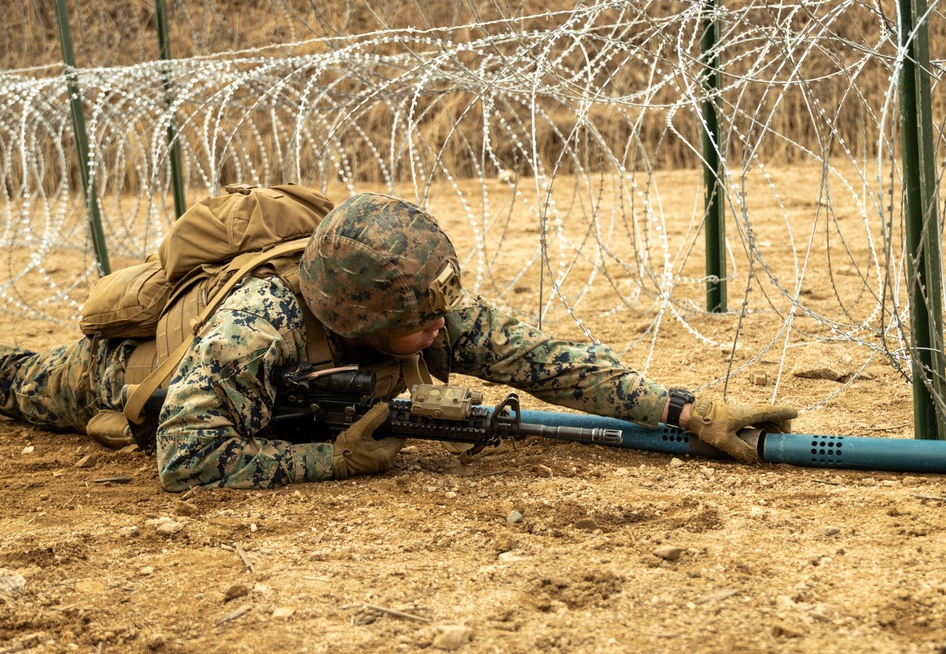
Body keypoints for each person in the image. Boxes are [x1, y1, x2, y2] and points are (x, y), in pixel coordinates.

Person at [0, 192, 798, 491]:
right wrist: (331, 460)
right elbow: (186, 456)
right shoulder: (257, 330)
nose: (442, 331)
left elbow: (548, 362)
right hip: (120, 373)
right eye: (421, 323)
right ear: (359, 320)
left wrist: (687, 409)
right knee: (18, 381)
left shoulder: (424, 309)